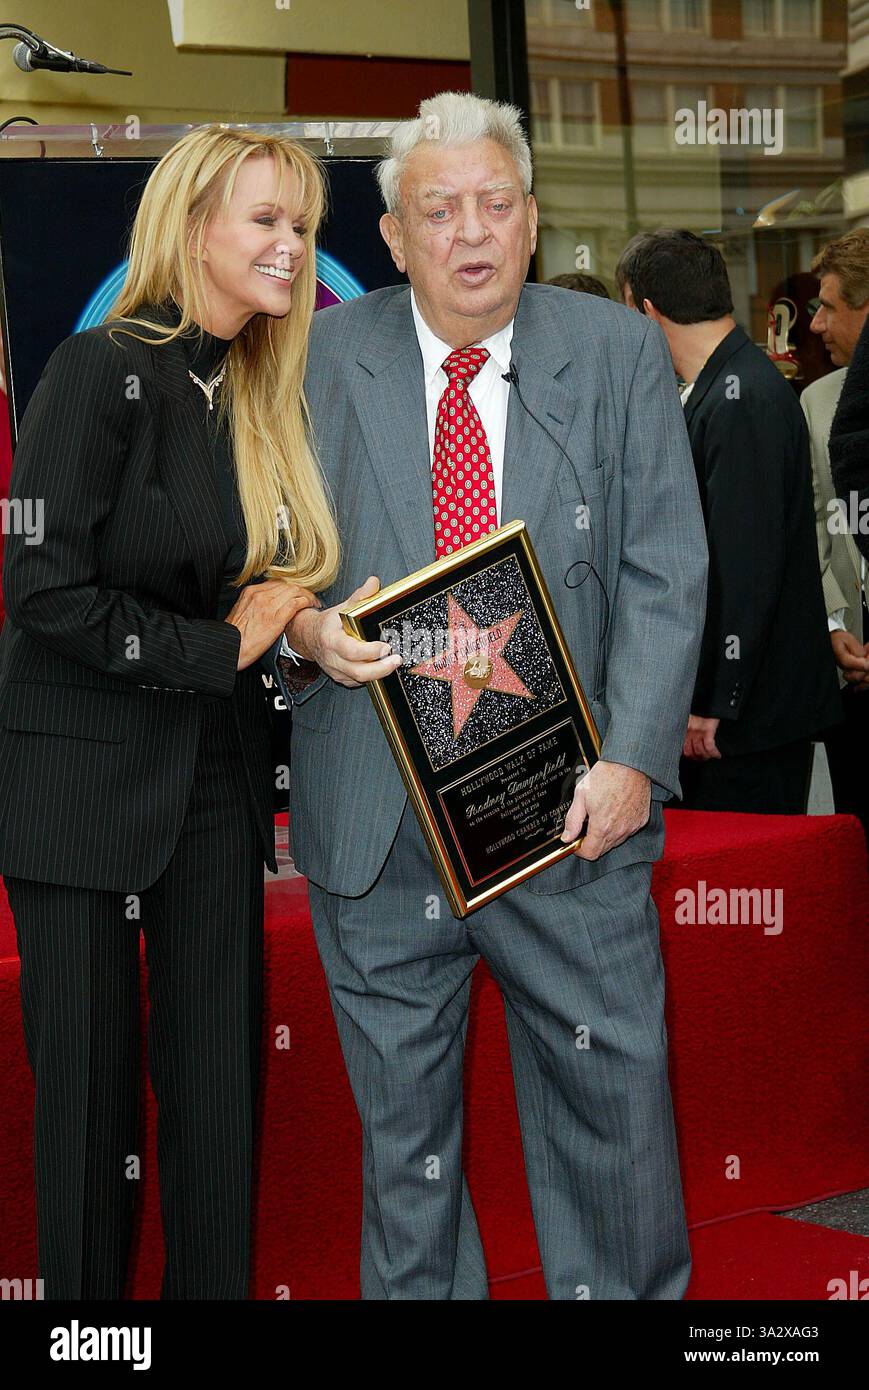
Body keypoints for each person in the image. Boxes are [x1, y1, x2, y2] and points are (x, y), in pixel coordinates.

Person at [282, 92, 708, 1300]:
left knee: (609, 1119)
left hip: (569, 814)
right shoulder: (314, 358)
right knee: (403, 1156)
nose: (470, 231)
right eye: (439, 208)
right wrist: (307, 629)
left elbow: (665, 566)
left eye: (495, 203)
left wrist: (629, 758)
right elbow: (265, 560)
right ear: (392, 234)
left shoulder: (616, 353)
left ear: (529, 220)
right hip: (376, 822)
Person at [0, 125, 336, 1298]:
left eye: (300, 225)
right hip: (77, 790)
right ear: (193, 229)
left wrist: (291, 637)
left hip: (212, 785)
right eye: (265, 221)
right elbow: (38, 585)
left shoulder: (249, 390)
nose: (290, 246)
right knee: (91, 1117)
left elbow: (248, 599)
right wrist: (222, 642)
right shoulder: (96, 369)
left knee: (217, 1099)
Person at [620, 228, 841, 814]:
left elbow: (742, 565)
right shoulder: (727, 387)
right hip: (744, 716)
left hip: (745, 722)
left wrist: (713, 700)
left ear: (646, 312)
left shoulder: (740, 399)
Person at [803, 229, 869, 849]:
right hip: (853, 674)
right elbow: (817, 524)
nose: (817, 324)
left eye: (828, 306)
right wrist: (832, 622)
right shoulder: (818, 402)